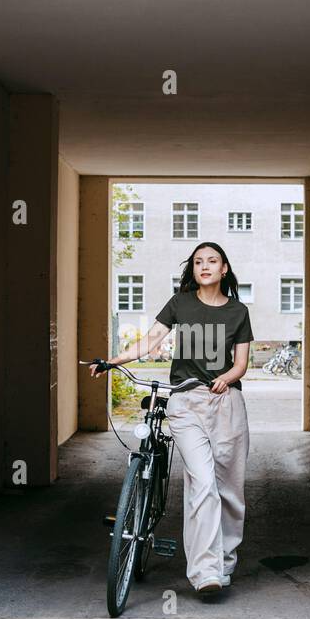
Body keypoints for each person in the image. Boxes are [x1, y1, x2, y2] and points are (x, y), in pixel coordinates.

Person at [91, 241, 252, 599]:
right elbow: (149, 342)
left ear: (224, 269)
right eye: (198, 262)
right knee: (203, 484)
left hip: (226, 403)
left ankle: (225, 562)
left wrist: (227, 377)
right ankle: (205, 573)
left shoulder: (238, 311)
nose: (204, 266)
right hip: (186, 402)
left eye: (212, 261)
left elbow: (241, 363)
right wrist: (112, 362)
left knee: (230, 492)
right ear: (193, 269)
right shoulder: (180, 303)